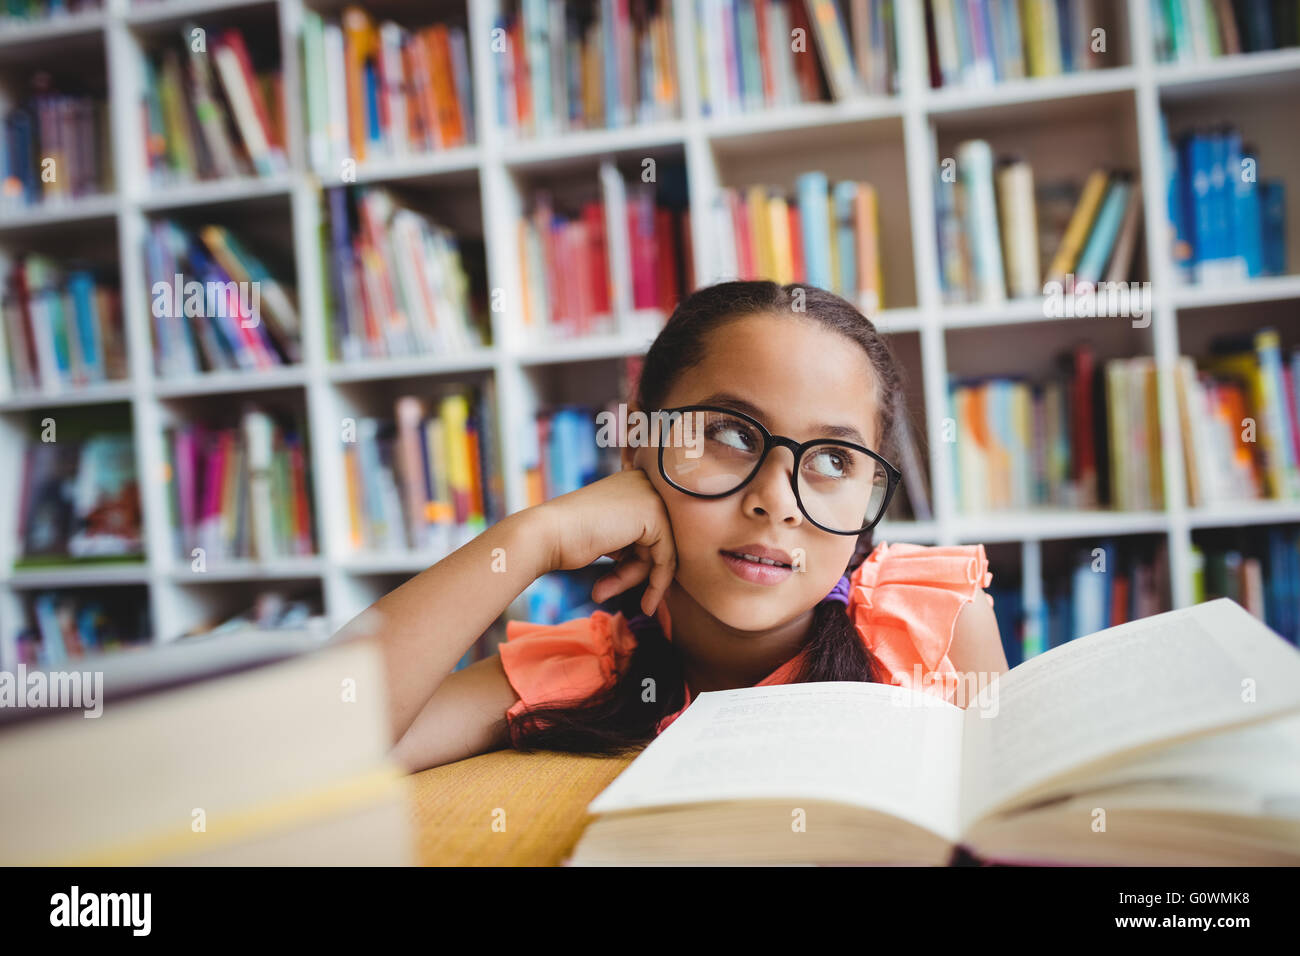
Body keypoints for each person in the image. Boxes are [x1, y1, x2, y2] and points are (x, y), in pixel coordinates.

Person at [337, 280, 1008, 772]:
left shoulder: (936, 626)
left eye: (833, 458)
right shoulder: (587, 668)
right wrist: (532, 538)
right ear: (638, 446)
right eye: (729, 434)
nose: (776, 501)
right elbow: (315, 747)